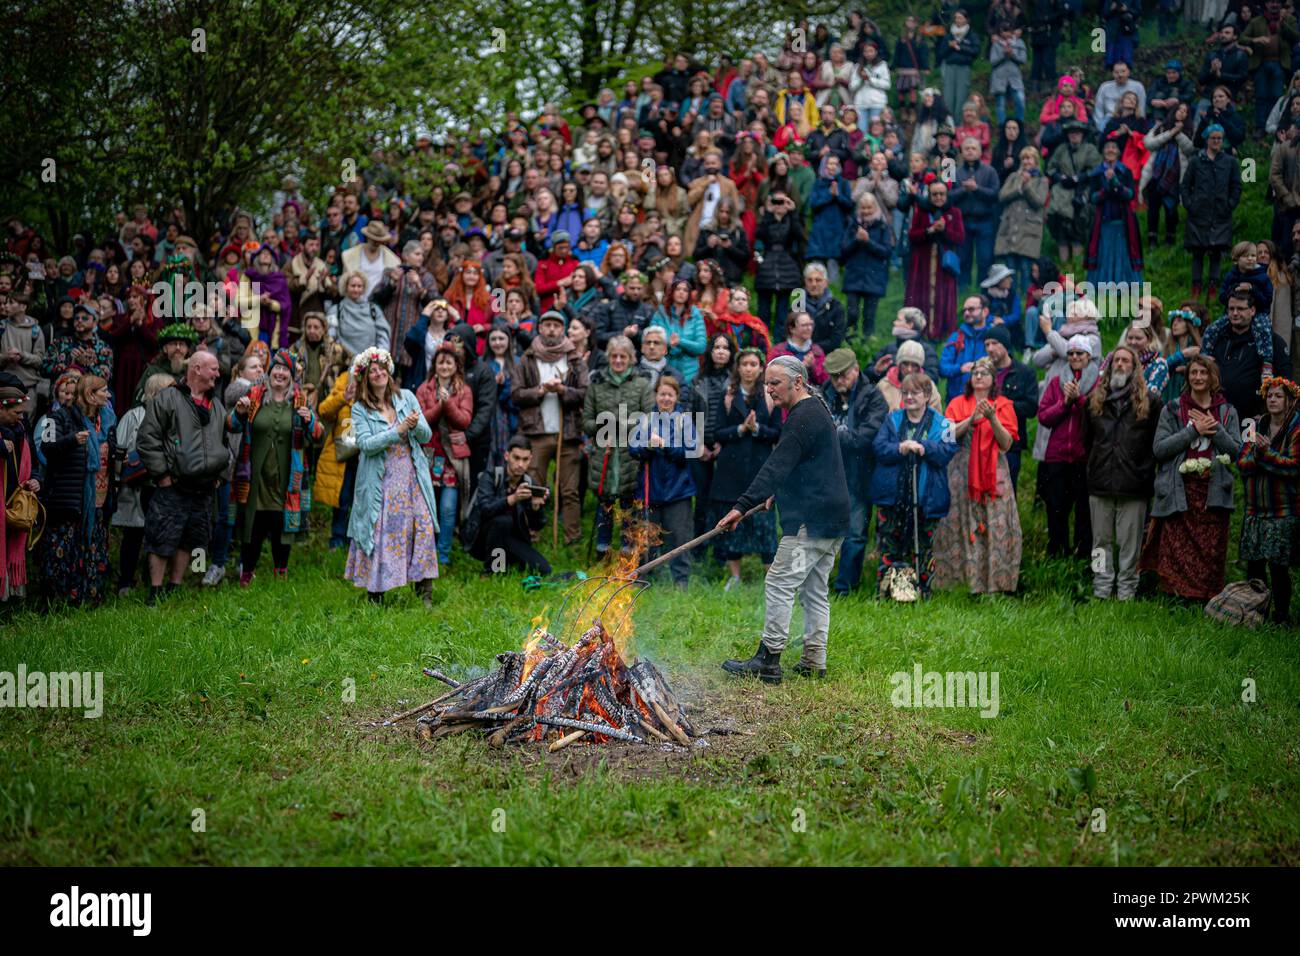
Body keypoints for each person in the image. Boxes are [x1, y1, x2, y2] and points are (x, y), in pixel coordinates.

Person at [719, 354, 848, 682]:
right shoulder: (815, 409)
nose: (769, 390)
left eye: (774, 383)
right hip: (831, 515)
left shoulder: (803, 415)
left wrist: (742, 505)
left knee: (779, 581)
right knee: (814, 588)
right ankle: (814, 659)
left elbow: (778, 463)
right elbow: (807, 465)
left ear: (798, 382)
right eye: (766, 384)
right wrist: (778, 491)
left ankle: (769, 658)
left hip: (813, 518)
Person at [1141, 354, 1242, 601]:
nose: (1198, 377)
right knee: (1177, 547)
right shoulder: (1173, 409)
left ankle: (1208, 600)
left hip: (1213, 490)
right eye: (1193, 373)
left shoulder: (1227, 411)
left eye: (1203, 373)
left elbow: (1236, 451)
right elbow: (1160, 449)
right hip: (1180, 490)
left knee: (1211, 548)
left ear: (1212, 377)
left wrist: (1215, 429)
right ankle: (1176, 599)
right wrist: (1192, 431)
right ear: (1187, 377)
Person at [344, 347, 440, 606]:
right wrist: (396, 431)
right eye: (372, 371)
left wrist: (415, 424)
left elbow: (426, 436)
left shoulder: (406, 397)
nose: (378, 373)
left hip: (411, 477)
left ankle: (424, 593)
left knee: (423, 527)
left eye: (381, 369)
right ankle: (376, 593)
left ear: (388, 371)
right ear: (364, 379)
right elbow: (364, 444)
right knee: (382, 532)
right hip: (380, 482)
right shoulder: (360, 409)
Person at [137, 350, 230, 605]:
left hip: (204, 489)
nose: (218, 374)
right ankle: (154, 592)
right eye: (213, 369)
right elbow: (147, 439)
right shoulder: (168, 398)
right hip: (173, 486)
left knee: (192, 539)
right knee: (161, 537)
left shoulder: (217, 405)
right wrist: (162, 475)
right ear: (197, 369)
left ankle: (174, 586)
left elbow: (225, 442)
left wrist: (221, 475)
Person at [228, 349, 323, 586]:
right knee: (254, 523)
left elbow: (319, 435)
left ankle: (281, 572)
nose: (280, 373)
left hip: (288, 475)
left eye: (285, 370)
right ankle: (246, 574)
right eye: (276, 369)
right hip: (255, 474)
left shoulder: (300, 400)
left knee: (282, 523)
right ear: (269, 374)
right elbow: (231, 425)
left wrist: (310, 420)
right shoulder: (255, 395)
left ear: (291, 376)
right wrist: (239, 413)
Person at [932, 357, 1022, 594]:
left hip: (994, 472)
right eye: (975, 372)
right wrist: (970, 420)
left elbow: (1006, 443)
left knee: (996, 522)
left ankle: (996, 584)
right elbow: (946, 435)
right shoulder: (958, 403)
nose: (979, 376)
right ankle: (961, 583)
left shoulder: (1003, 405)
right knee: (960, 523)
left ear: (993, 379)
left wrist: (992, 419)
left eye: (984, 372)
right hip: (962, 470)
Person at [1084, 345, 1162, 601]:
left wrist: (1144, 471)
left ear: (1135, 367)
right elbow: (1087, 441)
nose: (1120, 364)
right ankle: (1101, 587)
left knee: (1130, 545)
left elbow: (1155, 444)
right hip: (1100, 480)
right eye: (1116, 360)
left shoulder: (1150, 402)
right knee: (1099, 544)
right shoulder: (1094, 399)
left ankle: (1127, 590)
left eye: (1126, 361)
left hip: (1134, 483)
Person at [871, 371, 958, 598]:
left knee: (923, 547)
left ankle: (922, 591)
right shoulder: (892, 419)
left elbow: (947, 453)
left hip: (927, 498)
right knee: (890, 546)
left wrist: (925, 447)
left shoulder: (944, 424)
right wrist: (899, 448)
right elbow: (879, 448)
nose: (909, 397)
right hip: (893, 497)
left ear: (927, 395)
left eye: (915, 393)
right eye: (905, 392)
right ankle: (887, 592)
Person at [37, 374, 115, 604]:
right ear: (91, 395)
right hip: (68, 498)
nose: (108, 395)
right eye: (104, 391)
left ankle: (88, 599)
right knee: (63, 550)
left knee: (93, 548)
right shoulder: (56, 416)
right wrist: (71, 440)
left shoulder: (108, 420)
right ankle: (58, 601)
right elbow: (46, 446)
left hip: (98, 500)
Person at [822, 347, 887, 595]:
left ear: (856, 369)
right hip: (826, 473)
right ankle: (815, 586)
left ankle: (845, 588)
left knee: (856, 533)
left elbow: (864, 439)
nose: (838, 380)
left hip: (859, 473)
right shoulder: (824, 394)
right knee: (819, 531)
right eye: (834, 376)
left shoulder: (873, 397)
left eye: (843, 375)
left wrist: (835, 433)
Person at [1237, 376, 1300, 624]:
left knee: (1278, 567)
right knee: (1254, 566)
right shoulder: (1252, 424)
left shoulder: (1297, 428)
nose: (1272, 400)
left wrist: (1265, 455)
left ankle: (1281, 617)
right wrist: (1261, 455)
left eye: (1278, 396)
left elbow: (1294, 468)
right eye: (1269, 395)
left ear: (1290, 400)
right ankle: (1254, 614)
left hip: (1283, 510)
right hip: (1254, 510)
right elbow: (1241, 463)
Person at [628, 375, 698, 588]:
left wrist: (665, 445)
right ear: (656, 396)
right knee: (645, 537)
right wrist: (647, 446)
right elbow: (633, 449)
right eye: (662, 394)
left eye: (670, 394)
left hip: (678, 491)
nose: (665, 398)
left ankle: (681, 581)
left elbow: (690, 451)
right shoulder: (646, 420)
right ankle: (642, 580)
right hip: (650, 490)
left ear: (676, 397)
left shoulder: (684, 421)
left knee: (680, 538)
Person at [1036, 336, 1098, 557]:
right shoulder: (1055, 382)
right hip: (1057, 455)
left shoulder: (1098, 382)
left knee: (1084, 509)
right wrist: (1064, 404)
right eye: (1070, 353)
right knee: (1056, 507)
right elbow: (1043, 416)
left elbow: (1099, 416)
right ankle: (1057, 552)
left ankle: (1083, 553)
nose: (1074, 357)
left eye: (1079, 353)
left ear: (1089, 356)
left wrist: (1080, 400)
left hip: (1084, 456)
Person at [113, 371, 174, 595]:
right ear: (155, 393)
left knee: (157, 536)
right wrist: (121, 472)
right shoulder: (133, 416)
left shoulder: (174, 418)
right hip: (136, 484)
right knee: (133, 536)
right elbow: (119, 448)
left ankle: (153, 582)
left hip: (161, 485)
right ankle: (126, 582)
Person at [416, 343, 474, 568]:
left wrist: (448, 402)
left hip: (452, 457)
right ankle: (426, 551)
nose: (444, 366)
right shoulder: (423, 389)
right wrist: (441, 404)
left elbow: (464, 420)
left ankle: (444, 555)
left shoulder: (464, 390)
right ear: (435, 365)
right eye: (441, 362)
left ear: (456, 366)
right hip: (429, 455)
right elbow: (421, 420)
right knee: (427, 507)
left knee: (448, 509)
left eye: (449, 362)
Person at [463, 434, 551, 574]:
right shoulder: (491, 476)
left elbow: (537, 525)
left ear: (530, 459)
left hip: (512, 538)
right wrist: (513, 498)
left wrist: (536, 507)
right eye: (516, 458)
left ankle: (506, 565)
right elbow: (485, 509)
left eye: (525, 459)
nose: (520, 464)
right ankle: (492, 571)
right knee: (503, 521)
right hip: (482, 538)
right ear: (507, 456)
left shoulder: (529, 483)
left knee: (544, 570)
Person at [1205, 286, 1295, 419]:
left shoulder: (1270, 341)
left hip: (1254, 418)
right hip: (1218, 415)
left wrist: (1269, 415)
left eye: (1240, 309)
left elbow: (1285, 379)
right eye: (1231, 309)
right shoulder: (1217, 338)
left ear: (1252, 310)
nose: (1235, 313)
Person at [1182, 124, 1241, 299]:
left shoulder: (1230, 161)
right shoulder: (1196, 161)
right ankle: (1196, 285)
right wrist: (1190, 205)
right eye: (1213, 138)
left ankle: (1213, 286)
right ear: (1207, 140)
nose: (1216, 141)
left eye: (1219, 138)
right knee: (1197, 251)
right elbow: (1185, 185)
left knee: (1216, 251)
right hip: (1198, 213)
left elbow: (1236, 186)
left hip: (1221, 212)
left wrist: (1230, 204)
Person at [906, 180, 965, 341]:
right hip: (923, 263)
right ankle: (921, 332)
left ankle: (941, 334)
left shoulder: (954, 212)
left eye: (941, 194)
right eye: (934, 194)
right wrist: (929, 230)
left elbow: (960, 238)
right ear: (929, 195)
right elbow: (912, 236)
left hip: (944, 266)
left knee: (943, 296)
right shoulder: (922, 212)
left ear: (946, 195)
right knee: (921, 296)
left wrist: (945, 230)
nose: (938, 197)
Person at [1085, 137, 1144, 294]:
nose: (1110, 150)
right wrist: (1106, 190)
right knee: (1103, 254)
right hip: (1103, 223)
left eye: (1114, 147)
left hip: (1123, 223)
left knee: (1123, 254)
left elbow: (1130, 194)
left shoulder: (1125, 172)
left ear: (1118, 152)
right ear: (1103, 151)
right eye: (1107, 147)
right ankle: (1101, 288)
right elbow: (1093, 197)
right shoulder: (1096, 174)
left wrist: (1116, 183)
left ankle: (1125, 288)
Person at [982, 323, 1037, 488]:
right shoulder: (981, 372)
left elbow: (1031, 407)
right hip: (982, 441)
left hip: (1011, 444)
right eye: (986, 344)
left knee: (1007, 490)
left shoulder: (1025, 372)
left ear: (1006, 345)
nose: (990, 348)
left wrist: (1002, 406)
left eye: (995, 343)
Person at [0, 373, 38, 602]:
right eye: (17, 413)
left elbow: (32, 457)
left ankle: (9, 599)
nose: (21, 418)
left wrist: (35, 478)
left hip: (14, 499)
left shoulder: (22, 429)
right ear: (2, 408)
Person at [994, 147, 1050, 295]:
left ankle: (1027, 300)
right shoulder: (1013, 176)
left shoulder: (1042, 180)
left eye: (1029, 158)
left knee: (1027, 269)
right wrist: (1019, 188)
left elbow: (1039, 201)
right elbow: (1002, 196)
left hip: (1029, 231)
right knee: (1010, 269)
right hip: (1011, 228)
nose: (1026, 162)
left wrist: (1026, 187)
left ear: (1036, 161)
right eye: (1024, 158)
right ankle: (1011, 300)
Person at [1045, 120, 1101, 262]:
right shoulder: (1061, 149)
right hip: (1062, 190)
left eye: (1077, 132)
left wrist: (1080, 177)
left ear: (1082, 134)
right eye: (1071, 133)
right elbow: (1050, 167)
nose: (1074, 135)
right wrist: (1059, 176)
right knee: (1058, 222)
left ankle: (1077, 266)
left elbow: (1096, 168)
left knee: (1079, 225)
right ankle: (1064, 265)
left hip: (1081, 190)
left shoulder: (1090, 149)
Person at [754, 189, 806, 333]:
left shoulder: (792, 220)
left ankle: (779, 340)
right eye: (775, 202)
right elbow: (759, 234)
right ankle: (762, 338)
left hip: (787, 268)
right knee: (763, 309)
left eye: (782, 201)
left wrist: (793, 212)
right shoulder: (767, 220)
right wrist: (768, 214)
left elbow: (800, 235)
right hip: (767, 268)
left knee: (782, 310)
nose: (779, 205)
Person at [840, 192, 892, 336]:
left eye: (869, 208)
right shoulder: (853, 225)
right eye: (863, 208)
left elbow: (886, 252)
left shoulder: (883, 226)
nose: (866, 211)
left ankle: (866, 346)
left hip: (874, 277)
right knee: (852, 313)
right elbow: (843, 250)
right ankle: (850, 340)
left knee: (869, 316)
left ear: (875, 208)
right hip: (854, 275)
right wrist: (857, 240)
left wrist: (868, 241)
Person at [652, 277, 707, 387]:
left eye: (685, 290)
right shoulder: (661, 313)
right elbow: (652, 340)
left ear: (689, 294)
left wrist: (680, 342)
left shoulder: (695, 314)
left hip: (690, 374)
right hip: (664, 370)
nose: (681, 292)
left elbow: (701, 347)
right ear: (671, 292)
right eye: (678, 289)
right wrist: (669, 343)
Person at [939, 294, 993, 399]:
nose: (967, 313)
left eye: (971, 309)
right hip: (957, 401)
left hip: (986, 400)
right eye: (965, 310)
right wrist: (960, 369)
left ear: (985, 311)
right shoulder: (956, 337)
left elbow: (1002, 367)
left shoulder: (994, 337)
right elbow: (942, 368)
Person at [798, 262, 846, 354]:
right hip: (800, 354)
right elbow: (790, 334)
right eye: (810, 280)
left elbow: (836, 339)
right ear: (805, 282)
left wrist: (812, 348)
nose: (814, 284)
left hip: (827, 355)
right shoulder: (798, 305)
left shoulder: (836, 307)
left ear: (826, 283)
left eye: (818, 280)